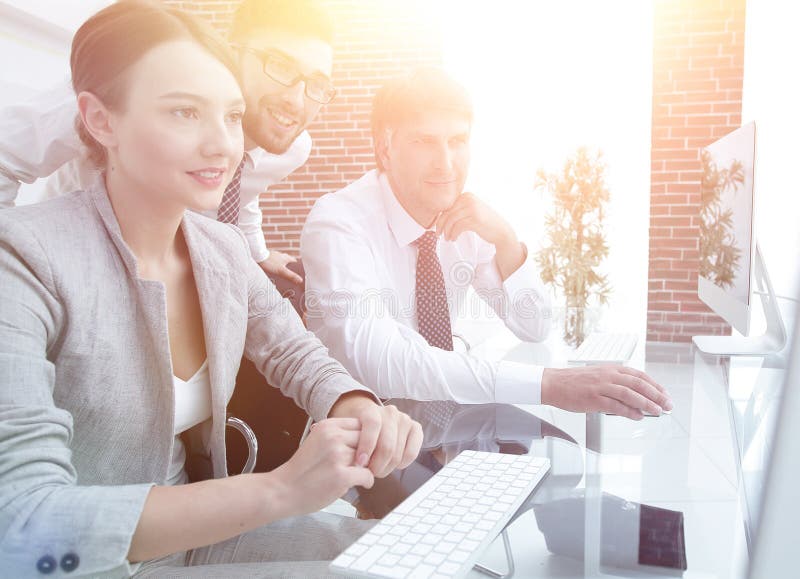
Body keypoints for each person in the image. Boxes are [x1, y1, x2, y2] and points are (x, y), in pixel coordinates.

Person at [0, 3, 422, 577]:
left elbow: (294, 352)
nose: (222, 145)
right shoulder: (25, 258)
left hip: (199, 539)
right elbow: (24, 524)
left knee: (402, 556)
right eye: (184, 113)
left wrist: (354, 403)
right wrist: (279, 491)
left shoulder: (221, 248)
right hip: (83, 561)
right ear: (100, 121)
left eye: (231, 116)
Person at [301, 67, 673, 420]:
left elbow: (534, 326)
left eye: (457, 141)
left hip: (441, 426)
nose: (445, 164)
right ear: (385, 149)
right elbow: (378, 360)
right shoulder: (338, 223)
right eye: (424, 142)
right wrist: (548, 385)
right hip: (359, 447)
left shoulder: (464, 222)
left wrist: (506, 239)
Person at [0, 0, 337, 285]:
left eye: (317, 84)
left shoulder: (291, 147)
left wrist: (258, 255)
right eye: (280, 66)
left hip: (162, 276)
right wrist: (21, 266)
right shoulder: (140, 86)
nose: (296, 99)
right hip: (75, 261)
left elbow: (244, 192)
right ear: (233, 53)